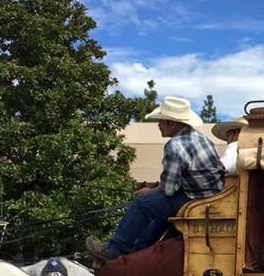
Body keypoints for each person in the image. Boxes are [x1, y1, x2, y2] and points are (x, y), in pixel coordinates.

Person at [86, 97, 225, 260]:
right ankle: (139, 252)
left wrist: (149, 191)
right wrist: (155, 188)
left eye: (161, 121)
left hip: (194, 200)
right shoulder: (202, 138)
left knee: (143, 204)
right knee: (158, 209)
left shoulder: (175, 145)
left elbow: (169, 189)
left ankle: (112, 251)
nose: (158, 125)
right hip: (212, 196)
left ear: (172, 124)